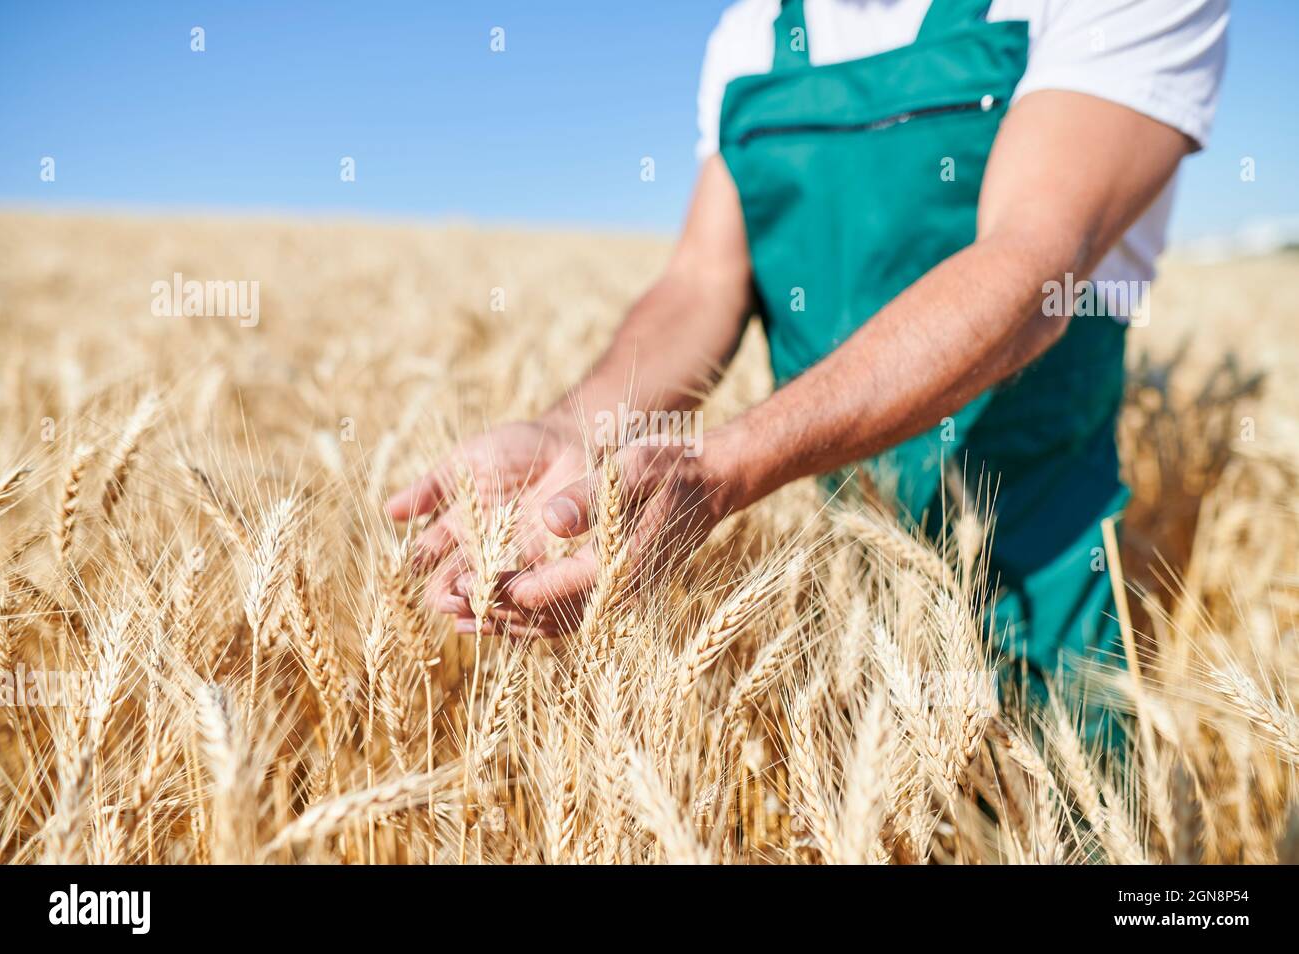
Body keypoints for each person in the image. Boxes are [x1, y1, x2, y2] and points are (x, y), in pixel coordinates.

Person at [386, 0, 1229, 711]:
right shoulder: (752, 33)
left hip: (1042, 586)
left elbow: (1029, 268)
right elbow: (701, 282)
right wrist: (575, 431)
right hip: (836, 596)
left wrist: (726, 467)